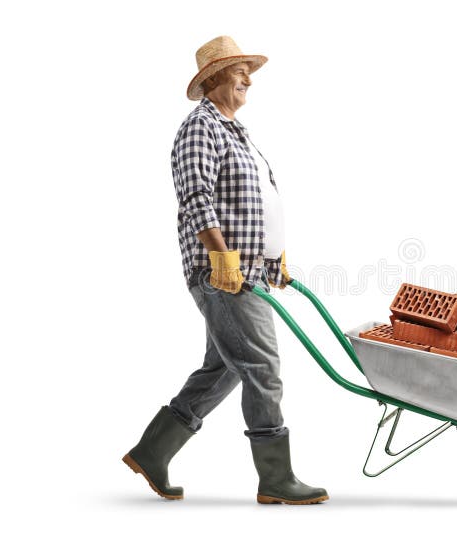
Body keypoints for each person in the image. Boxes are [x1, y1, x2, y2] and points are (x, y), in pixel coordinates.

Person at [122, 35, 328, 505]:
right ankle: (276, 478)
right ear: (213, 78)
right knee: (263, 367)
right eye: (240, 71)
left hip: (248, 270)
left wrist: (273, 259)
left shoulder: (236, 130)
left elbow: (252, 205)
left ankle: (152, 452)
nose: (248, 79)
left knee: (225, 368)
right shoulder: (201, 128)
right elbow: (197, 200)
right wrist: (222, 258)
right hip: (223, 273)